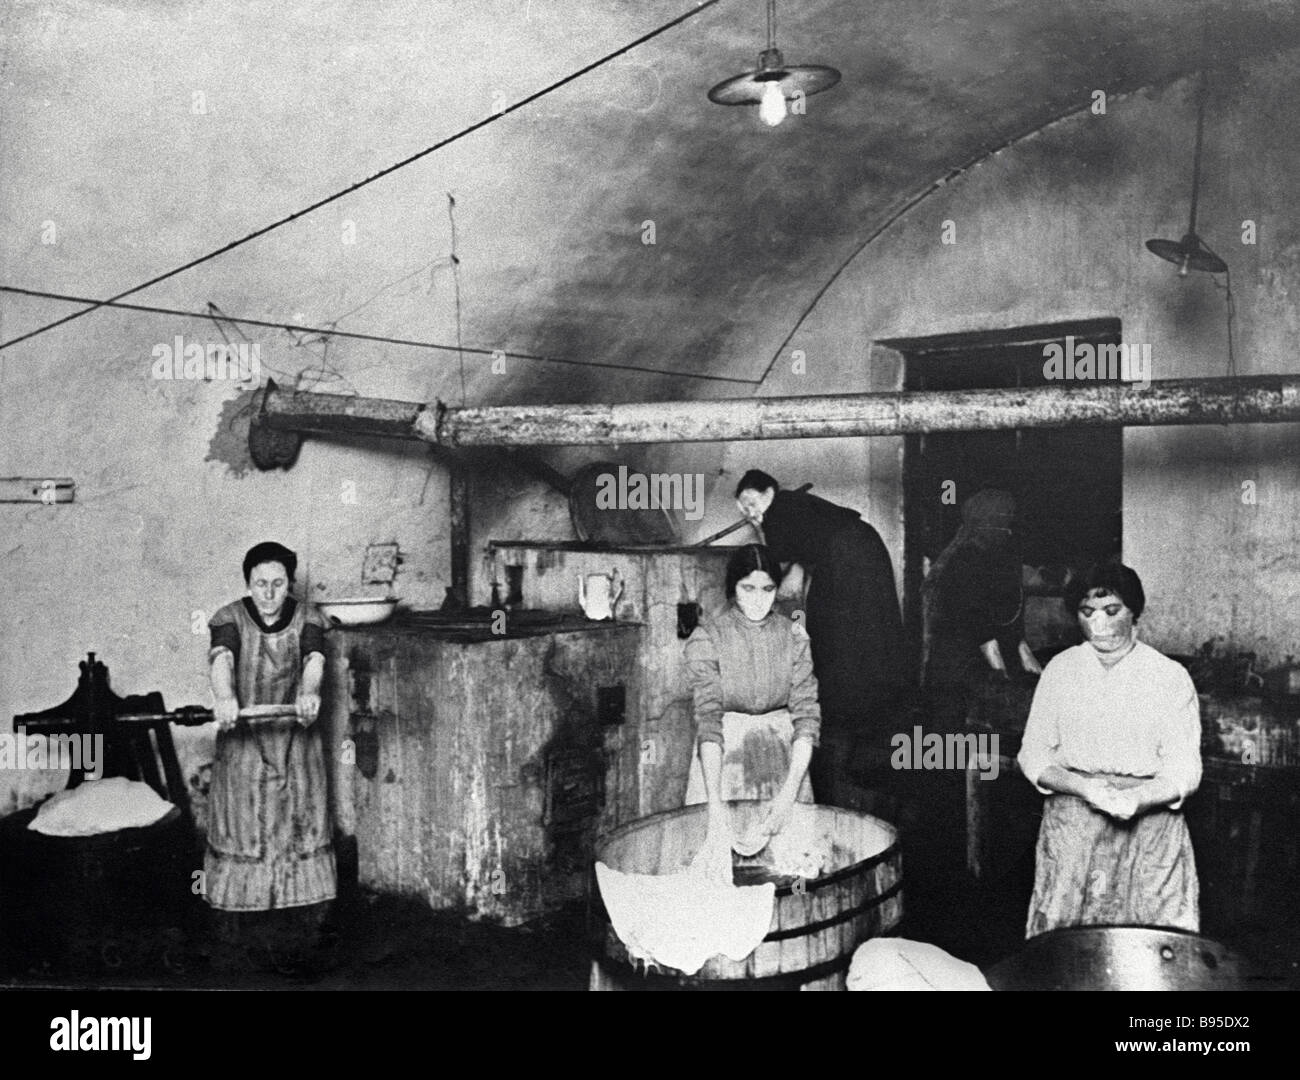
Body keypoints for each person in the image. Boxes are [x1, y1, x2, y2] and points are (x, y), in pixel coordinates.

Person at [1017, 562, 1201, 937]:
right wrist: (1085, 788)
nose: (1099, 625)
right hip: (1075, 823)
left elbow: (1184, 769)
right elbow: (1033, 755)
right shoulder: (1061, 671)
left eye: (1112, 611)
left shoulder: (1167, 676)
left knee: (1151, 941)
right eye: (1087, 613)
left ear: (1135, 612)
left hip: (1150, 828)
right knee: (1067, 941)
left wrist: (1141, 797)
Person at [205, 541, 337, 973]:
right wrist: (224, 698)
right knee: (245, 831)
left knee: (298, 831)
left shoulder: (308, 618)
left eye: (277, 584)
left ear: (289, 584)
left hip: (296, 740)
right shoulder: (229, 618)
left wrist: (309, 692)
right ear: (248, 583)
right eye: (260, 583)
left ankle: (302, 938)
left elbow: (315, 658)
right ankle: (241, 943)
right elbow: (221, 658)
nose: (268, 593)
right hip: (243, 740)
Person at [733, 470, 903, 803]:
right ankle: (865, 706)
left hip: (848, 560)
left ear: (770, 491)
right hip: (864, 550)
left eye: (752, 503)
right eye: (745, 510)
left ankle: (845, 713)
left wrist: (760, 532)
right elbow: (795, 564)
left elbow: (776, 573)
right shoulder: (796, 508)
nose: (752, 512)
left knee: (836, 634)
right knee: (864, 632)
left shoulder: (780, 511)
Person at [684, 544, 820, 882]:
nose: (759, 599)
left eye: (768, 589)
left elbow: (806, 718)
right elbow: (709, 722)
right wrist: (714, 803)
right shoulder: (708, 638)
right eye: (748, 588)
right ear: (733, 588)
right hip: (726, 763)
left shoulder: (795, 637)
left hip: (784, 758)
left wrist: (790, 792)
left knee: (792, 872)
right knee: (719, 872)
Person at [921, 488, 1042, 726]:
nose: (1007, 527)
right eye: (1001, 518)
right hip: (959, 669)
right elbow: (979, 627)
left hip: (981, 665)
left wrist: (1034, 669)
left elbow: (1008, 620)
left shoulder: (997, 558)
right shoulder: (966, 561)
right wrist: (1004, 682)